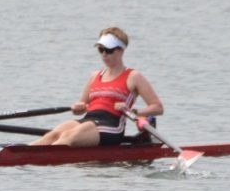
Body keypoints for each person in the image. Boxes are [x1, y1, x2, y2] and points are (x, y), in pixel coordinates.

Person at [34, 27, 164, 147]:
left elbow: (158, 108)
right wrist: (77, 107)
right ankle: (22, 154)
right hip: (88, 120)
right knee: (53, 135)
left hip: (112, 125)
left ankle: (43, 158)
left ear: (121, 50)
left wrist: (133, 111)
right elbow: (82, 107)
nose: (104, 54)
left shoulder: (133, 76)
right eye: (101, 50)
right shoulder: (94, 76)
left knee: (69, 136)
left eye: (109, 50)